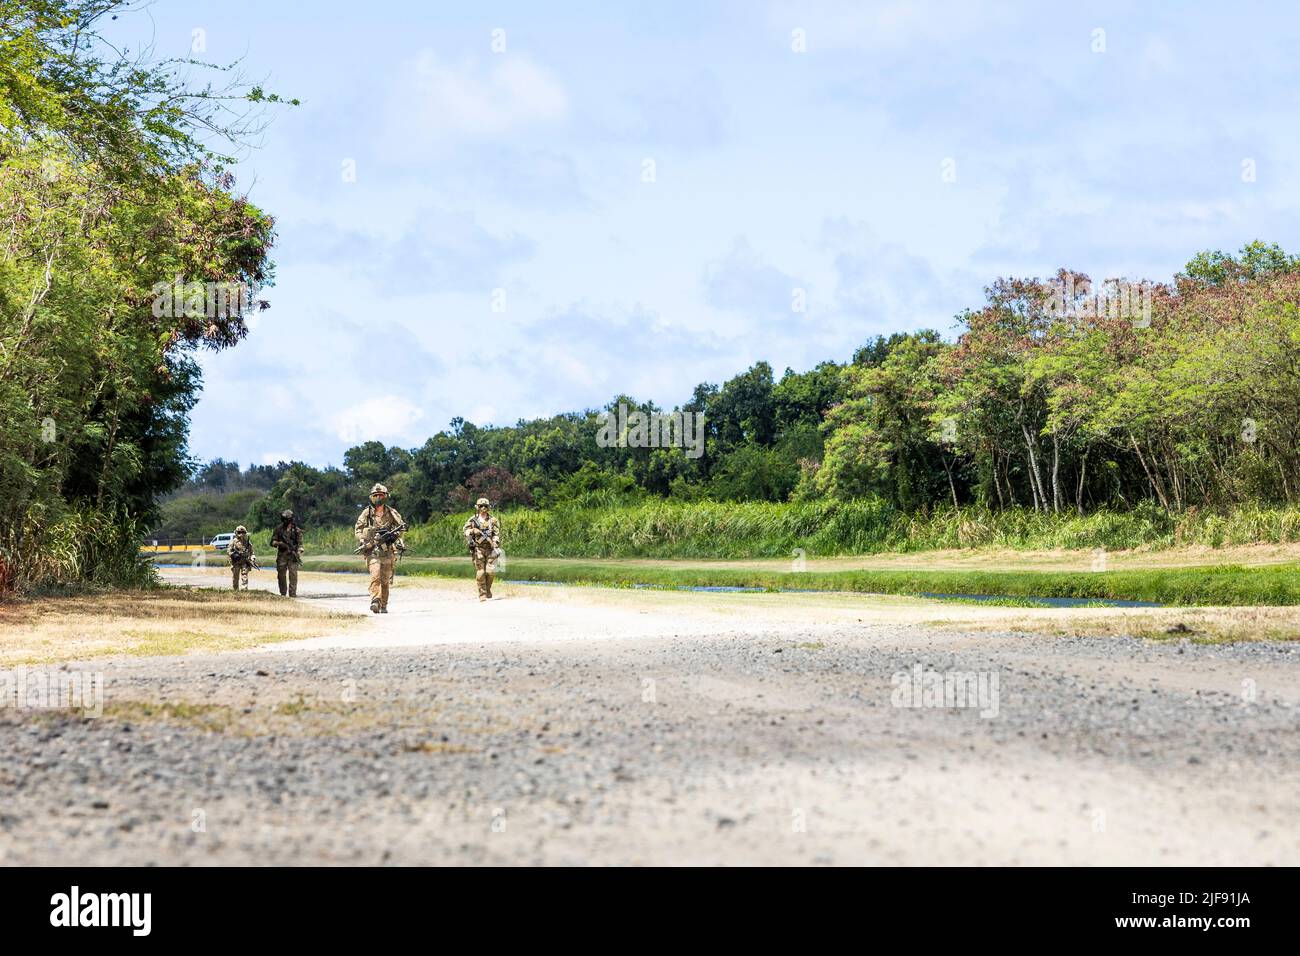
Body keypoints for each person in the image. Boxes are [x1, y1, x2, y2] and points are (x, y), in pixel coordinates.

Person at [354, 483, 406, 613]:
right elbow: (358, 530)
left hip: (388, 551)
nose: (378, 497)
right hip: (372, 550)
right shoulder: (367, 513)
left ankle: (383, 605)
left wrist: (394, 537)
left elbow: (402, 528)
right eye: (375, 495)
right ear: (371, 496)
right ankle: (375, 600)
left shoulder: (392, 513)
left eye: (380, 495)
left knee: (385, 580)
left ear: (386, 496)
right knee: (375, 575)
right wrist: (362, 539)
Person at [462, 497, 502, 602]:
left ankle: (488, 589)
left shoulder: (493, 520)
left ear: (488, 507)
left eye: (485, 506)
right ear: (477, 507)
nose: (483, 508)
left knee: (491, 571)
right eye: (481, 506)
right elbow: (465, 531)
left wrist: (495, 542)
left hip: (490, 549)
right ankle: (482, 594)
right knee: (481, 572)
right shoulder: (472, 520)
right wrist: (472, 531)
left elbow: (497, 534)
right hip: (478, 549)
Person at [270, 509, 304, 597]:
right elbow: (272, 542)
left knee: (293, 575)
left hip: (293, 556)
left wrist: (299, 552)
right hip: (282, 555)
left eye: (286, 519)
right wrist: (279, 544)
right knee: (281, 575)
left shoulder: (297, 530)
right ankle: (283, 593)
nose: (284, 521)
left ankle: (292, 594)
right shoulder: (279, 529)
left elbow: (300, 544)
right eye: (283, 519)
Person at [228, 525, 256, 591]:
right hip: (236, 562)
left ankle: (244, 589)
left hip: (244, 561)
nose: (241, 534)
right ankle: (235, 589)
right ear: (236, 533)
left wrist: (252, 558)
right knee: (235, 577)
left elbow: (252, 552)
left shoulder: (247, 542)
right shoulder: (233, 542)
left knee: (244, 575)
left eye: (243, 532)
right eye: (239, 532)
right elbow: (229, 551)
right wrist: (235, 555)